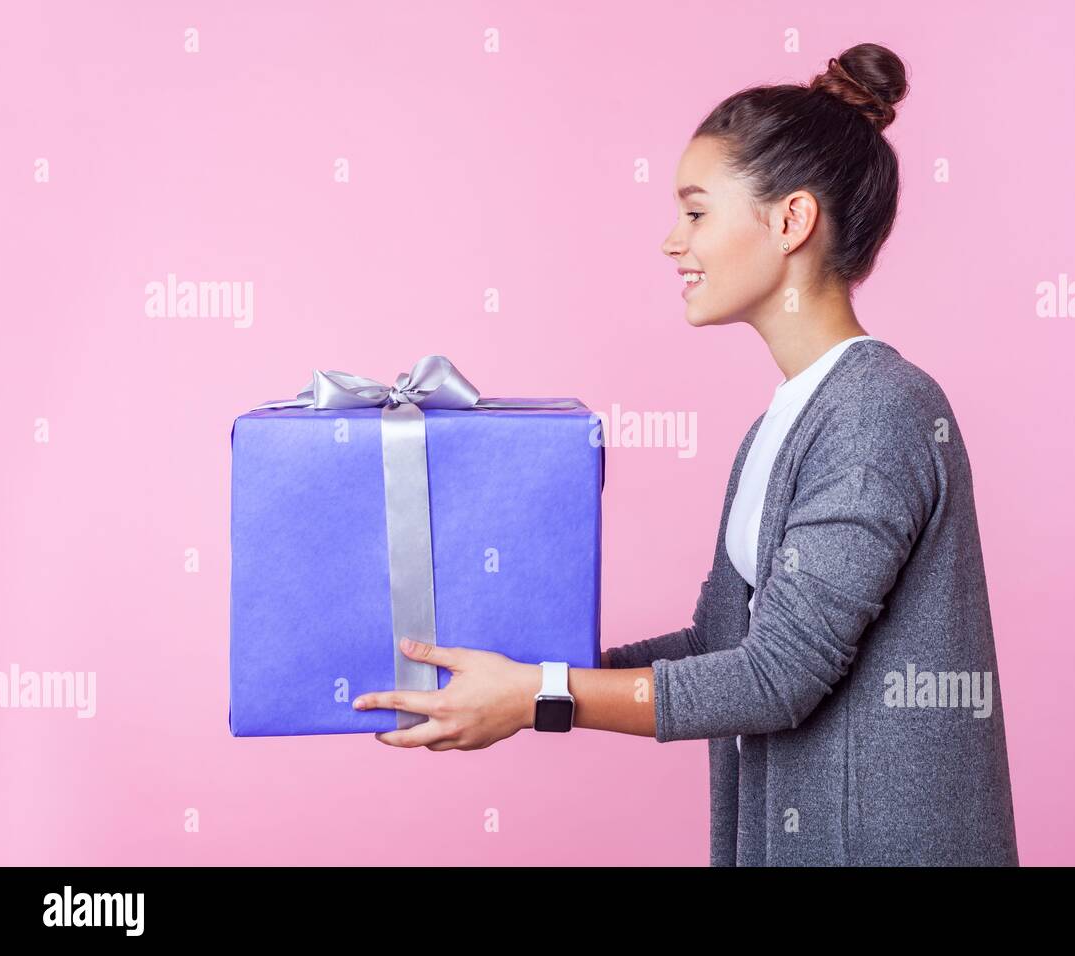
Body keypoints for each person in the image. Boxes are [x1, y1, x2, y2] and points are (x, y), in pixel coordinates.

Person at [353, 42, 1019, 867]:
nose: (673, 242)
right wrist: (524, 672)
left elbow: (777, 679)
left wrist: (540, 698)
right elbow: (721, 645)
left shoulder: (879, 411)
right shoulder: (785, 421)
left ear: (791, 221)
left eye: (696, 212)